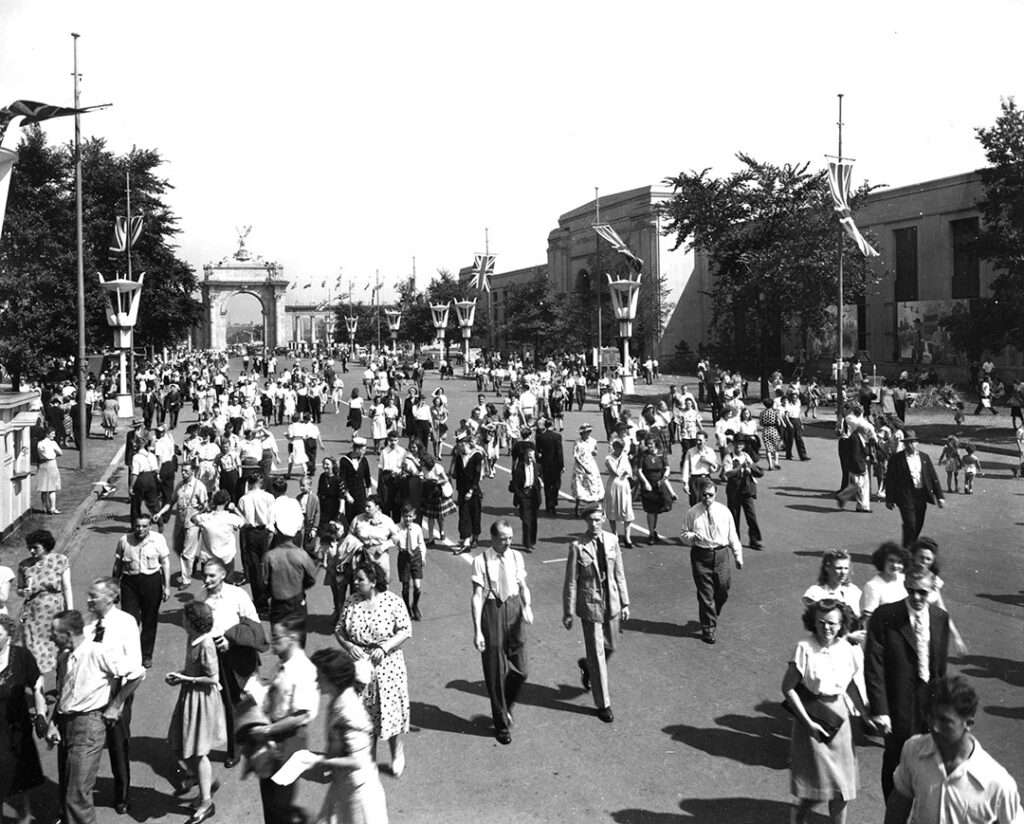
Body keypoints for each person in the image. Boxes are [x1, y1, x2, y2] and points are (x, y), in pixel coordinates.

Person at [47, 609, 145, 824]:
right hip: (66, 724)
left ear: (70, 633)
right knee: (69, 790)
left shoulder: (97, 653)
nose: (50, 637)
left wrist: (116, 704)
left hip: (89, 725)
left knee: (77, 795)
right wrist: (53, 723)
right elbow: (64, 693)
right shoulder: (64, 656)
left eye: (54, 632)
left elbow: (137, 673)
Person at [884, 675, 1023, 824]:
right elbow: (899, 804)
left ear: (968, 724)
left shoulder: (997, 783)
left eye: (945, 721)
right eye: (932, 717)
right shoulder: (914, 750)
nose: (935, 727)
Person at [865, 567, 951, 800]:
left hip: (929, 703)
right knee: (897, 758)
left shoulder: (940, 618)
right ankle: (894, 811)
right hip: (898, 703)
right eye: (911, 590)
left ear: (932, 590)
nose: (916, 597)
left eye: (922, 592)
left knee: (929, 759)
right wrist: (880, 710)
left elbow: (940, 669)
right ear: (905, 586)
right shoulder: (886, 616)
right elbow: (874, 665)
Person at [782, 599, 871, 824]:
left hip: (839, 722)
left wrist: (865, 714)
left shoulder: (846, 649)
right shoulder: (804, 648)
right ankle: (798, 819)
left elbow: (849, 684)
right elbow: (788, 688)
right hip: (812, 719)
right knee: (815, 789)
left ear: (842, 624)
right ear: (813, 622)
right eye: (821, 622)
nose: (826, 628)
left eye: (832, 623)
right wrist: (807, 723)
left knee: (842, 789)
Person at [335, 564, 411, 776]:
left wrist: (385, 647)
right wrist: (349, 646)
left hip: (387, 666)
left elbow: (405, 630)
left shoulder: (392, 601)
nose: (356, 583)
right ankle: (370, 760)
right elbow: (339, 630)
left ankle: (397, 752)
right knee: (365, 715)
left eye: (360, 579)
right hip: (360, 668)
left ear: (373, 581)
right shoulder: (351, 602)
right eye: (355, 579)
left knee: (389, 711)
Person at [245, 616, 320, 824]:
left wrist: (267, 731)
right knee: (270, 805)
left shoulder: (304, 670)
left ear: (292, 638)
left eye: (276, 637)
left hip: (289, 744)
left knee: (279, 805)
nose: (271, 640)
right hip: (271, 740)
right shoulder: (282, 664)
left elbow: (302, 715)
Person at [562, 507, 630, 723]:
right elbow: (571, 581)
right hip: (590, 604)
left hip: (612, 601)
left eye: (597, 520)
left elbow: (619, 572)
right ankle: (604, 704)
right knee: (598, 655)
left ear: (602, 519)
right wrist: (568, 611)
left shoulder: (611, 540)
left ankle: (588, 668)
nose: (594, 524)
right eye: (590, 521)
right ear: (585, 521)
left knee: (611, 646)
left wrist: (625, 602)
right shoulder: (578, 546)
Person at [84, 577, 144, 816]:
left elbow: (137, 668)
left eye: (93, 596)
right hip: (90, 692)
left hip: (116, 690)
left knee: (118, 745)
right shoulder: (87, 622)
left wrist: (117, 703)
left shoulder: (126, 622)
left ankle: (122, 795)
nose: (88, 600)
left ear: (111, 597)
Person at [307, 648, 389, 824]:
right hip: (343, 786)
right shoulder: (337, 701)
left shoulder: (349, 711)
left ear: (332, 678)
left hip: (358, 795)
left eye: (319, 675)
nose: (316, 680)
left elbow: (357, 760)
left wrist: (320, 762)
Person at [470, 519, 533, 744]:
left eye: (510, 538)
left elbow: (523, 586)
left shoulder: (516, 556)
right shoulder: (481, 560)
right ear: (493, 538)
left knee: (522, 669)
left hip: (514, 607)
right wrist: (477, 630)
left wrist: (527, 607)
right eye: (503, 539)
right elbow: (477, 596)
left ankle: (505, 703)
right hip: (492, 609)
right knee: (495, 669)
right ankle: (501, 723)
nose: (508, 542)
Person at [166, 601, 226, 824]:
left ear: (192, 622)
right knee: (182, 745)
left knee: (197, 752)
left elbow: (213, 678)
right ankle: (207, 784)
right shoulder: (192, 639)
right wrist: (179, 676)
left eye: (184, 617)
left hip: (202, 701)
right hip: (190, 697)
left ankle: (206, 803)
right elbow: (194, 669)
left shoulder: (206, 644)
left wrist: (187, 679)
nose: (181, 620)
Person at [202, 557, 260, 768]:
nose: (207, 580)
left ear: (223, 575)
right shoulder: (203, 601)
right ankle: (234, 749)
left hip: (239, 654)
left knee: (246, 697)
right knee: (227, 702)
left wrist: (231, 640)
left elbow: (254, 624)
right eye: (205, 575)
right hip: (215, 656)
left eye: (211, 576)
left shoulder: (237, 595)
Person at [679, 479, 743, 645]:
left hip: (721, 554)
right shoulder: (692, 513)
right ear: (700, 494)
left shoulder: (724, 512)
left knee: (723, 590)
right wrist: (691, 537)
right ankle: (708, 629)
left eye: (710, 495)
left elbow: (732, 535)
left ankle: (714, 612)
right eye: (704, 495)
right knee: (706, 595)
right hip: (701, 556)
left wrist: (738, 555)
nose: (707, 498)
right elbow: (683, 535)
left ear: (716, 494)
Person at [0, 612, 47, 824]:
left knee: (17, 777)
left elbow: (37, 684)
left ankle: (24, 817)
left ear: (8, 635)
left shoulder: (21, 656)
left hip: (15, 726)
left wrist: (41, 715)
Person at [112, 514, 171, 669]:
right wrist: (113, 587)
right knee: (130, 620)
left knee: (149, 620)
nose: (141, 529)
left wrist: (167, 586)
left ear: (150, 526)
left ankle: (146, 655)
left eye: (144, 526)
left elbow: (165, 563)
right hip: (129, 583)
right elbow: (117, 565)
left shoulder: (158, 540)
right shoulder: (124, 540)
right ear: (134, 526)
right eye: (138, 526)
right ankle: (130, 653)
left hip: (152, 582)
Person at [261, 498, 319, 642]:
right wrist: (300, 586)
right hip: (297, 601)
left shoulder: (270, 556)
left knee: (281, 643)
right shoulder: (302, 555)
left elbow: (264, 581)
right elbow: (312, 578)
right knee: (298, 642)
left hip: (277, 602)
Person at [17, 529, 73, 674]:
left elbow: (67, 588)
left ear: (45, 545)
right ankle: (37, 689)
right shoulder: (24, 565)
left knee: (60, 650)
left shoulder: (60, 560)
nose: (31, 550)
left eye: (35, 547)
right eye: (29, 547)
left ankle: (61, 688)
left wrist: (70, 612)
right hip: (33, 614)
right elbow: (19, 589)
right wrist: (24, 592)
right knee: (34, 651)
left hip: (55, 613)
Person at [884, 430, 945, 547]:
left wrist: (940, 497)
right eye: (908, 442)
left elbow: (933, 477)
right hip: (905, 496)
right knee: (910, 524)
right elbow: (890, 480)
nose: (911, 445)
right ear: (904, 444)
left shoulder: (924, 457)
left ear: (917, 443)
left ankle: (911, 546)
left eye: (913, 442)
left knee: (918, 524)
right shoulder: (896, 459)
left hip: (921, 495)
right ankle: (906, 550)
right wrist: (889, 499)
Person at [156, 463, 209, 588]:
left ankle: (186, 580)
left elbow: (205, 506)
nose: (183, 473)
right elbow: (172, 501)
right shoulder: (180, 485)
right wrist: (160, 513)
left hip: (192, 524)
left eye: (186, 471)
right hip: (180, 521)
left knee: (186, 553)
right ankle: (191, 563)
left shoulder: (199, 486)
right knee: (178, 548)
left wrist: (198, 515)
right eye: (182, 471)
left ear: (192, 472)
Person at [724, 436, 764, 549]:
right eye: (737, 443)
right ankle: (735, 540)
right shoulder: (728, 457)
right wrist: (739, 468)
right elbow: (727, 474)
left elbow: (755, 469)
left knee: (751, 515)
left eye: (741, 444)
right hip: (734, 490)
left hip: (746, 489)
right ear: (733, 444)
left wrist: (749, 469)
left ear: (744, 445)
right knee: (734, 516)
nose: (739, 446)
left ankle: (754, 539)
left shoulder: (746, 456)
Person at [860, 542, 910, 626]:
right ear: (882, 561)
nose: (895, 565)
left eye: (899, 562)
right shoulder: (873, 586)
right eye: (891, 561)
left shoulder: (904, 579)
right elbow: (869, 617)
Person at [638, 434, 674, 546]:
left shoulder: (661, 454)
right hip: (648, 486)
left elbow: (667, 469)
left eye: (651, 444)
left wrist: (663, 479)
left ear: (655, 444)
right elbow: (639, 471)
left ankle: (653, 530)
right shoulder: (643, 455)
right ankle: (651, 535)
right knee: (650, 511)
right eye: (647, 444)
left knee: (656, 510)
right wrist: (646, 483)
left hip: (659, 485)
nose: (649, 446)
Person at [451, 434, 485, 554]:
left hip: (474, 491)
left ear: (464, 444)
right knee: (464, 515)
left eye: (459, 445)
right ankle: (466, 540)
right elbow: (458, 474)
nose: (457, 448)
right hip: (462, 490)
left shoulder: (477, 456)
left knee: (475, 514)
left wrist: (471, 490)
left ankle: (475, 537)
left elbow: (477, 475)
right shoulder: (459, 456)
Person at [395, 504, 426, 620]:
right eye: (406, 516)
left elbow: (421, 543)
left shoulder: (417, 528)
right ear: (402, 516)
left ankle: (415, 605)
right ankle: (407, 607)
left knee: (417, 586)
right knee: (405, 585)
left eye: (410, 516)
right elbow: (391, 539)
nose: (408, 519)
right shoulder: (397, 527)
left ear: (414, 516)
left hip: (415, 556)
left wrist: (423, 557)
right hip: (403, 557)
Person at [509, 441, 542, 552]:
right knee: (526, 521)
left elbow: (539, 479)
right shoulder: (519, 470)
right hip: (524, 495)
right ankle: (527, 543)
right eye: (528, 457)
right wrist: (520, 496)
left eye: (532, 457)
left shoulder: (538, 467)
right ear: (524, 457)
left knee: (534, 520)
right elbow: (515, 485)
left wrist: (540, 484)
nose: (530, 459)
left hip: (534, 495)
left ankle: (532, 541)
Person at [604, 438, 635, 548]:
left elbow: (630, 472)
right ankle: (614, 534)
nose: (620, 451)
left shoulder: (625, 456)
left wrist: (626, 471)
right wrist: (624, 470)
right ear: (614, 448)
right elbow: (615, 472)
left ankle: (627, 537)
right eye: (618, 449)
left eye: (621, 449)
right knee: (613, 509)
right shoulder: (608, 458)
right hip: (613, 485)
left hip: (624, 485)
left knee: (627, 510)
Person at [570, 423, 604, 517]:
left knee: (593, 485)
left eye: (589, 431)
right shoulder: (577, 443)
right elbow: (576, 457)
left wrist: (594, 452)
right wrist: (584, 467)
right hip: (580, 466)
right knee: (579, 486)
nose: (588, 433)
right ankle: (577, 506)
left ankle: (593, 506)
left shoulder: (593, 441)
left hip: (591, 464)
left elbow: (595, 451)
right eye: (586, 432)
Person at [680, 430, 719, 506]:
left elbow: (716, 468)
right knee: (694, 505)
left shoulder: (710, 451)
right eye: (697, 440)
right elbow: (686, 468)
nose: (698, 442)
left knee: (707, 503)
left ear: (706, 440)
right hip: (694, 480)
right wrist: (685, 483)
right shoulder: (690, 452)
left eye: (700, 440)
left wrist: (708, 461)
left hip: (707, 479)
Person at [535, 417, 564, 516]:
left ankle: (548, 505)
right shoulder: (557, 437)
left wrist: (539, 462)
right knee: (556, 484)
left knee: (547, 485)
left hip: (545, 463)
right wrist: (562, 465)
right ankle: (553, 502)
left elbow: (538, 451)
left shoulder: (540, 437)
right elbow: (559, 452)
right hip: (555, 464)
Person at [36, 427, 63, 514]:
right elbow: (60, 452)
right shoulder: (53, 443)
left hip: (42, 465)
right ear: (47, 434)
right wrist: (55, 454)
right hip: (51, 464)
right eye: (52, 433)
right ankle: (53, 508)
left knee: (44, 488)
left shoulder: (40, 443)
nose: (54, 435)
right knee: (52, 488)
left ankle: (44, 508)